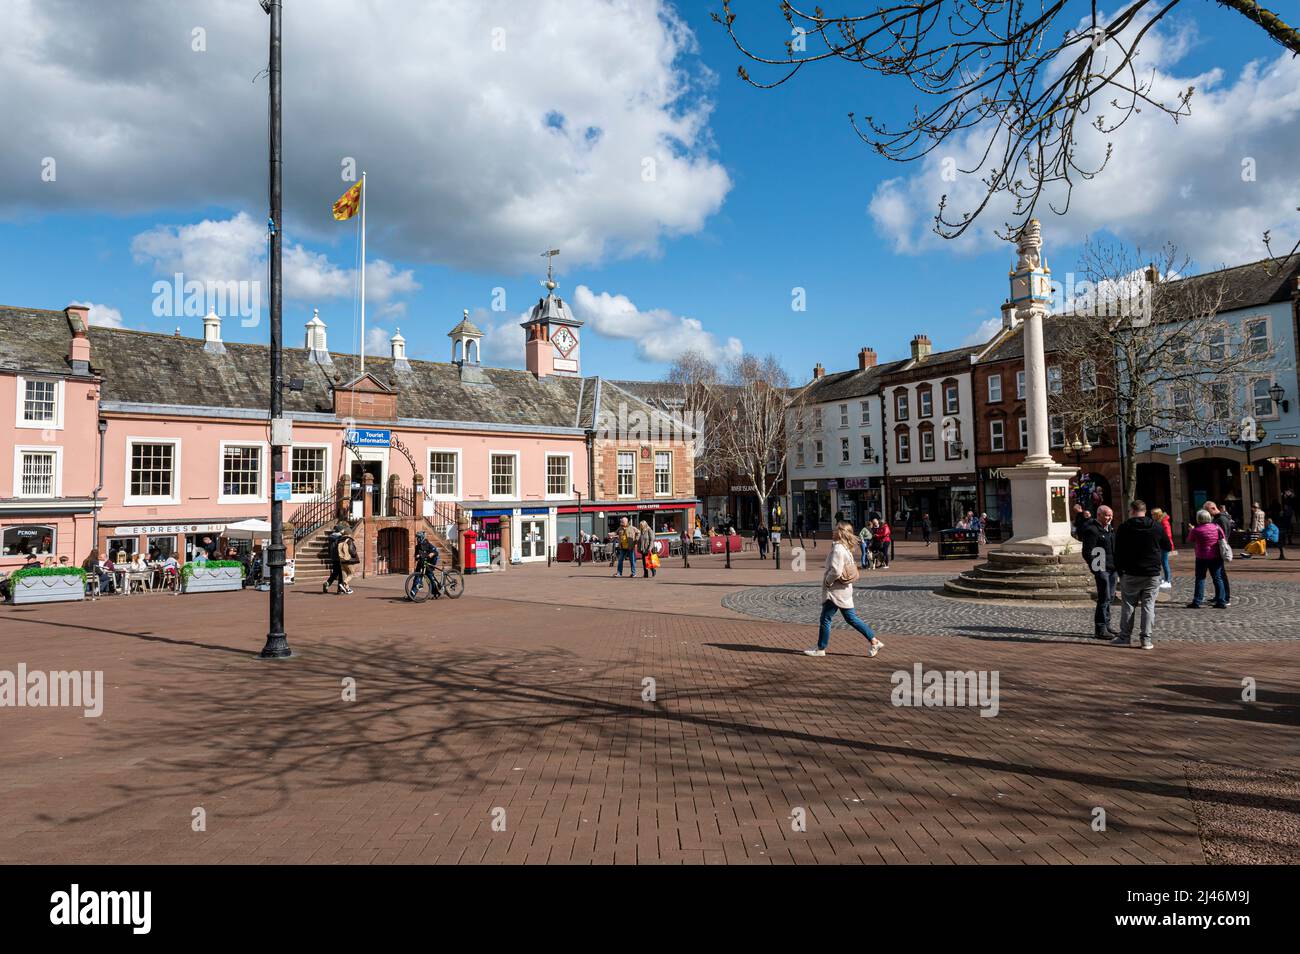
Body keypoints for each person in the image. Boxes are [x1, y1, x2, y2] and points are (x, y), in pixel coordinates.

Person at [804, 521, 883, 658]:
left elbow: (835, 571)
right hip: (844, 590)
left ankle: (820, 648)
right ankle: (874, 641)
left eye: (835, 530)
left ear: (840, 533)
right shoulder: (846, 548)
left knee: (826, 619)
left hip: (835, 591)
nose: (833, 532)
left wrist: (828, 582)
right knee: (851, 618)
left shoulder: (838, 549)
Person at [1112, 499, 1170, 650]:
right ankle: (1146, 639)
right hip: (1152, 573)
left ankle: (1125, 637)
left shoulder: (1125, 527)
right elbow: (1167, 545)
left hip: (1131, 572)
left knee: (1128, 605)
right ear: (1145, 511)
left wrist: (1120, 572)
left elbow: (1117, 552)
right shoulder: (1156, 526)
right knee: (1148, 605)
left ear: (1132, 510)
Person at [1077, 505, 1118, 639]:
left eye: (1111, 515)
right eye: (1107, 515)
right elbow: (1087, 552)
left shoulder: (1110, 529)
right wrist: (1097, 569)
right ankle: (1100, 628)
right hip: (1102, 570)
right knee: (1103, 598)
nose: (1110, 517)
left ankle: (1107, 624)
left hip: (1112, 569)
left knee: (1110, 598)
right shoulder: (1092, 530)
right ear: (1099, 515)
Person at [1185, 509, 1227, 609]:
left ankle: (1197, 601)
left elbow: (1189, 540)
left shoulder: (1196, 530)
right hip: (1216, 556)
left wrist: (1191, 530)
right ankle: (1221, 601)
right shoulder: (1217, 527)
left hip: (1201, 557)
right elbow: (1223, 537)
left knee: (1200, 578)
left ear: (1198, 519)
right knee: (1218, 578)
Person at [1204, 501, 1233, 605]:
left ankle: (1226, 597)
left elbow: (1223, 537)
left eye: (1207, 511)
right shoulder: (1218, 518)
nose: (1207, 514)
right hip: (1216, 549)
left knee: (1221, 575)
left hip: (1219, 549)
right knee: (1217, 574)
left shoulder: (1221, 519)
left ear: (1212, 508)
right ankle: (1219, 595)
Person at [1151, 507, 1174, 589]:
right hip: (1162, 545)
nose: (1152, 516)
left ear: (1157, 515)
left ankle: (1168, 581)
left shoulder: (1164, 522)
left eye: (1153, 514)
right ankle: (1166, 579)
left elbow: (1168, 535)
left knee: (1165, 563)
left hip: (1164, 545)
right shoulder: (1159, 522)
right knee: (1163, 562)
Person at [323, 522, 346, 593]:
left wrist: (330, 555)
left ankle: (327, 583)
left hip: (333, 557)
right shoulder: (340, 538)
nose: (343, 531)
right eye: (342, 530)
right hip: (339, 557)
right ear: (340, 530)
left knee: (335, 572)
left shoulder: (331, 537)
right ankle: (340, 589)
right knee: (341, 573)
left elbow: (329, 548)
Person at [336, 527, 359, 594]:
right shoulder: (349, 540)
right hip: (348, 560)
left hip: (341, 560)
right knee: (351, 573)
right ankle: (343, 584)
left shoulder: (339, 540)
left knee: (345, 575)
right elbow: (352, 551)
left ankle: (347, 589)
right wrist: (354, 555)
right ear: (349, 533)